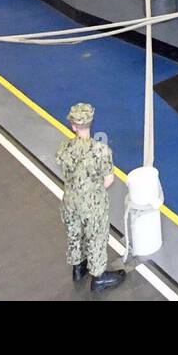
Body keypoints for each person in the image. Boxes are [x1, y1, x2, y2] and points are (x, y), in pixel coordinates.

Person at [55, 103, 126, 293]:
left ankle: (78, 268)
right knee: (96, 236)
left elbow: (67, 171)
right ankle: (99, 277)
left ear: (73, 126)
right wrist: (92, 192)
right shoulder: (101, 151)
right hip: (92, 203)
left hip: (70, 200)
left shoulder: (64, 147)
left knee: (75, 233)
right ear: (90, 123)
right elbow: (109, 180)